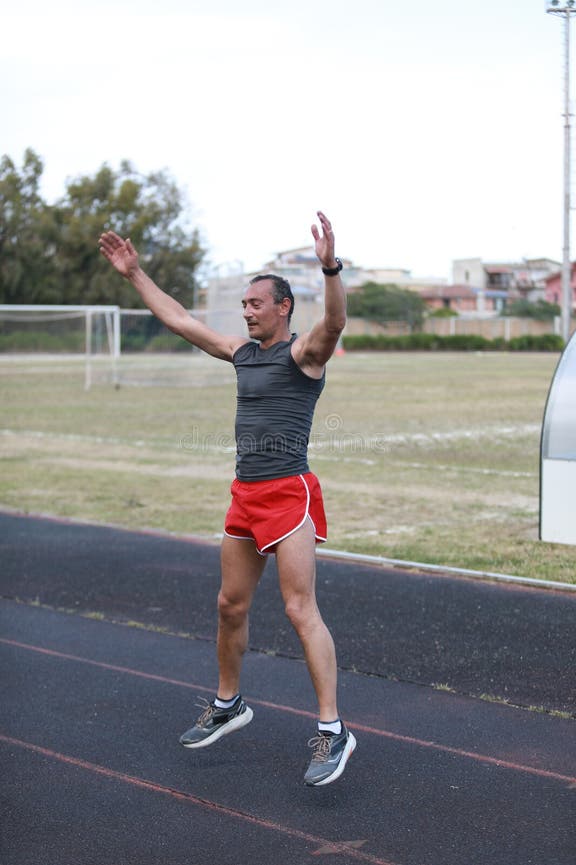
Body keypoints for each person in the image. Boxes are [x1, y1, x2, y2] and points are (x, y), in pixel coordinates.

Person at [98, 211, 355, 786]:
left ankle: (333, 731)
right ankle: (228, 703)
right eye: (243, 304)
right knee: (229, 606)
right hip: (245, 495)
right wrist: (135, 274)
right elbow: (181, 320)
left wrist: (330, 267)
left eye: (255, 303)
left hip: (290, 494)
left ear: (283, 307)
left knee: (298, 608)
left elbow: (334, 322)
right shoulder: (241, 353)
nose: (245, 310)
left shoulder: (303, 356)